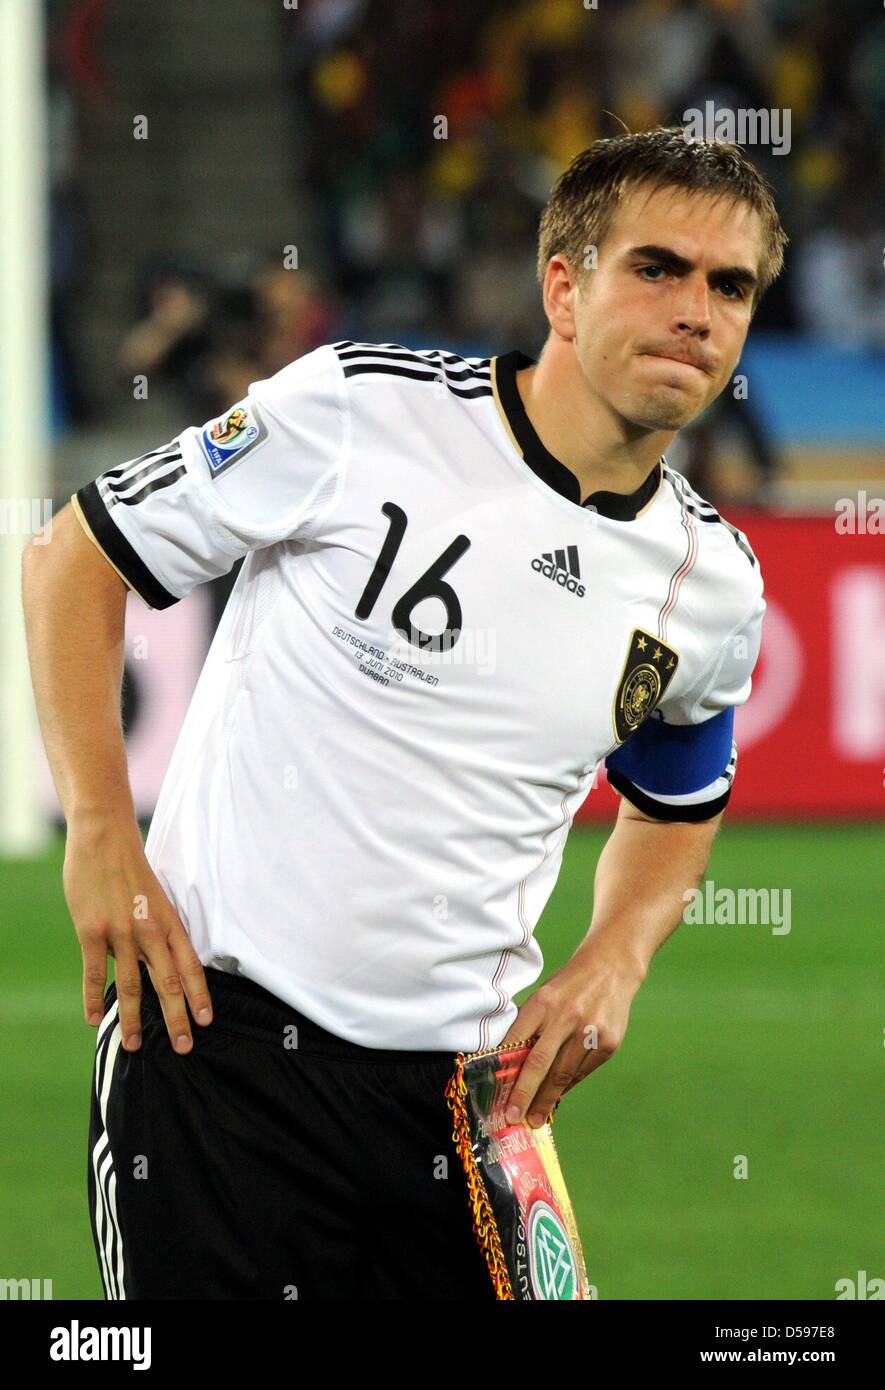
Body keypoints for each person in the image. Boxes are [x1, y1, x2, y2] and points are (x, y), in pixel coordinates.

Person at [22, 126, 787, 1300]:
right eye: (658, 267)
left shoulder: (714, 584)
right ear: (564, 288)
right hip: (213, 1053)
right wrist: (98, 824)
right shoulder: (359, 412)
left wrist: (616, 956)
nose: (696, 309)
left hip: (468, 1102)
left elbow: (680, 796)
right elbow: (78, 553)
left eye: (728, 285)